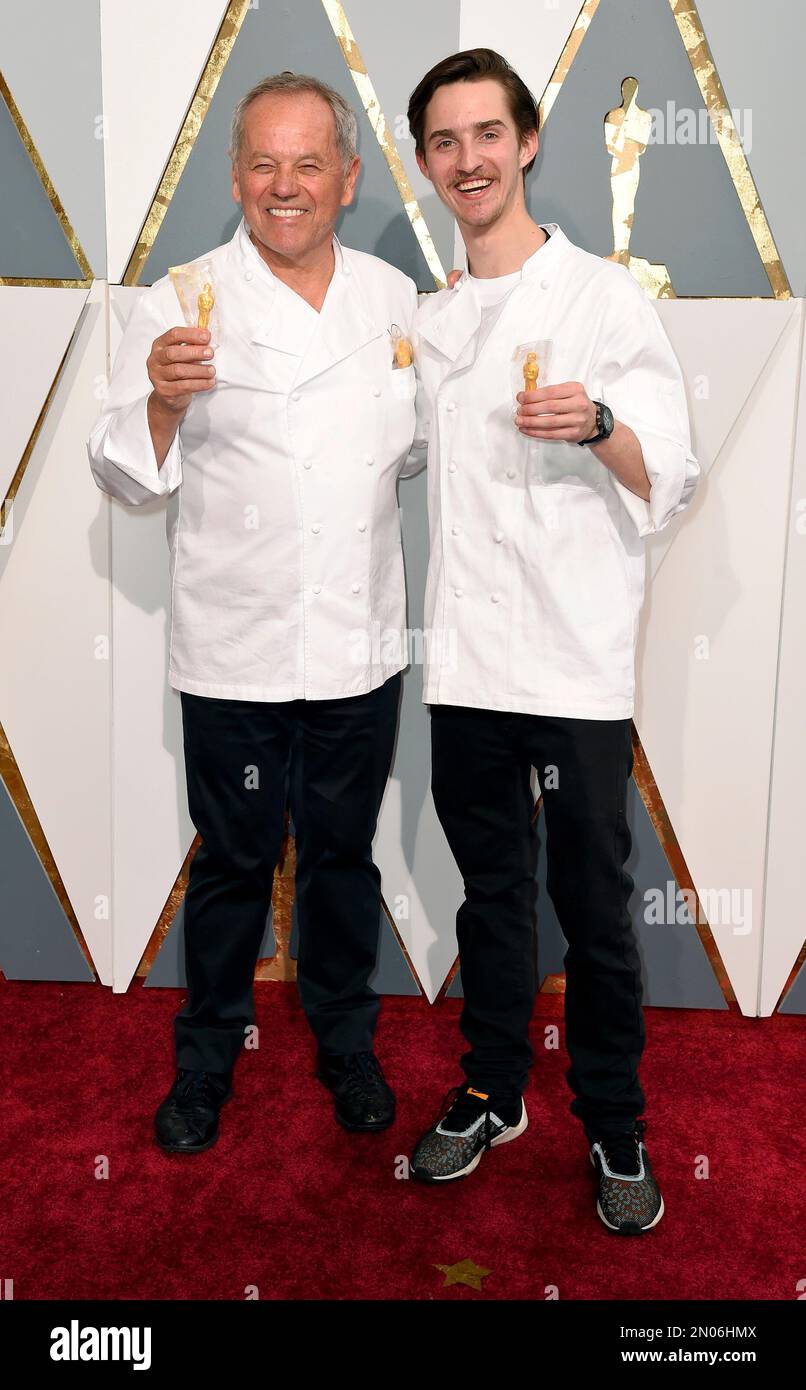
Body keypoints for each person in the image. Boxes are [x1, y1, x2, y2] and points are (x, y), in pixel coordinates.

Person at [88, 72, 421, 1153]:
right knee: (231, 861)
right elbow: (123, 471)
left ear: (346, 177)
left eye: (308, 162)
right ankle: (204, 1058)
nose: (286, 186)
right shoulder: (182, 297)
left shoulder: (390, 299)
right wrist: (160, 399)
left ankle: (344, 1041)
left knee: (342, 858)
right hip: (231, 650)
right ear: (234, 174)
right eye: (264, 163)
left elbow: (415, 448)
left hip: (357, 643)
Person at [403, 48, 700, 1232]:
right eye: (442, 141)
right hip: (467, 666)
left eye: (486, 134)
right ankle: (490, 1090)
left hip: (574, 663)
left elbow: (669, 472)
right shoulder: (426, 323)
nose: (466, 159)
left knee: (592, 905)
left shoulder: (604, 298)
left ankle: (614, 1117)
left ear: (525, 144)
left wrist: (600, 420)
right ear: (425, 164)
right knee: (488, 898)